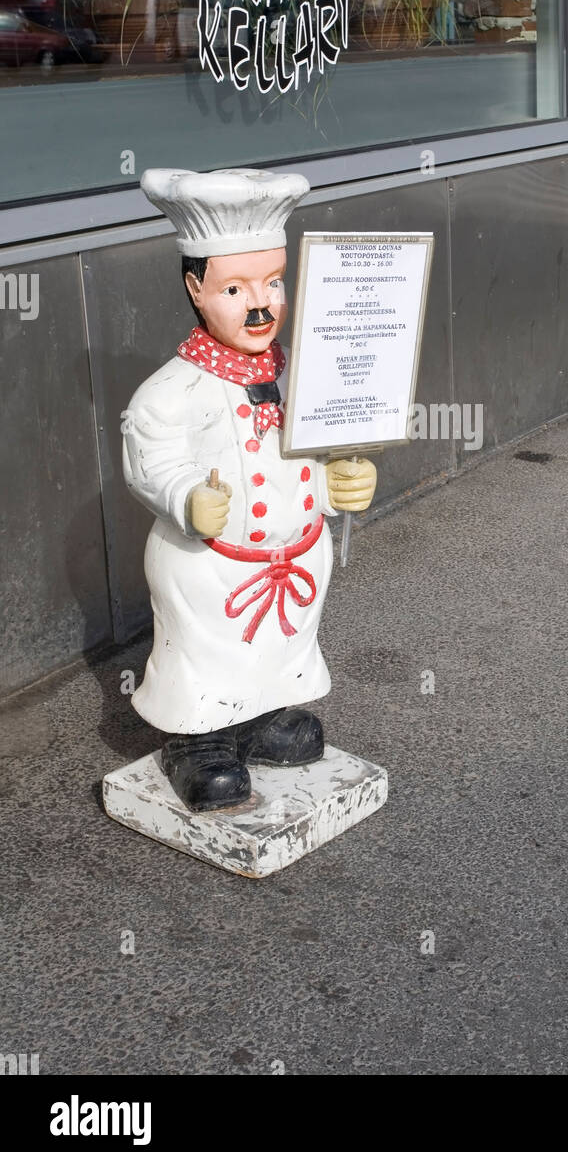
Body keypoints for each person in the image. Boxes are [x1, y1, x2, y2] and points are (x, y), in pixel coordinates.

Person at [121, 167, 376, 812]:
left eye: (273, 282)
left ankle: (260, 718)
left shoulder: (304, 374)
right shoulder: (171, 390)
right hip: (209, 570)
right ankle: (200, 743)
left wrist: (335, 482)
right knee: (206, 659)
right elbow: (148, 455)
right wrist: (184, 497)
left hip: (291, 561)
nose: (260, 303)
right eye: (235, 287)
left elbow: (309, 455)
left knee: (275, 649)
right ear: (195, 288)